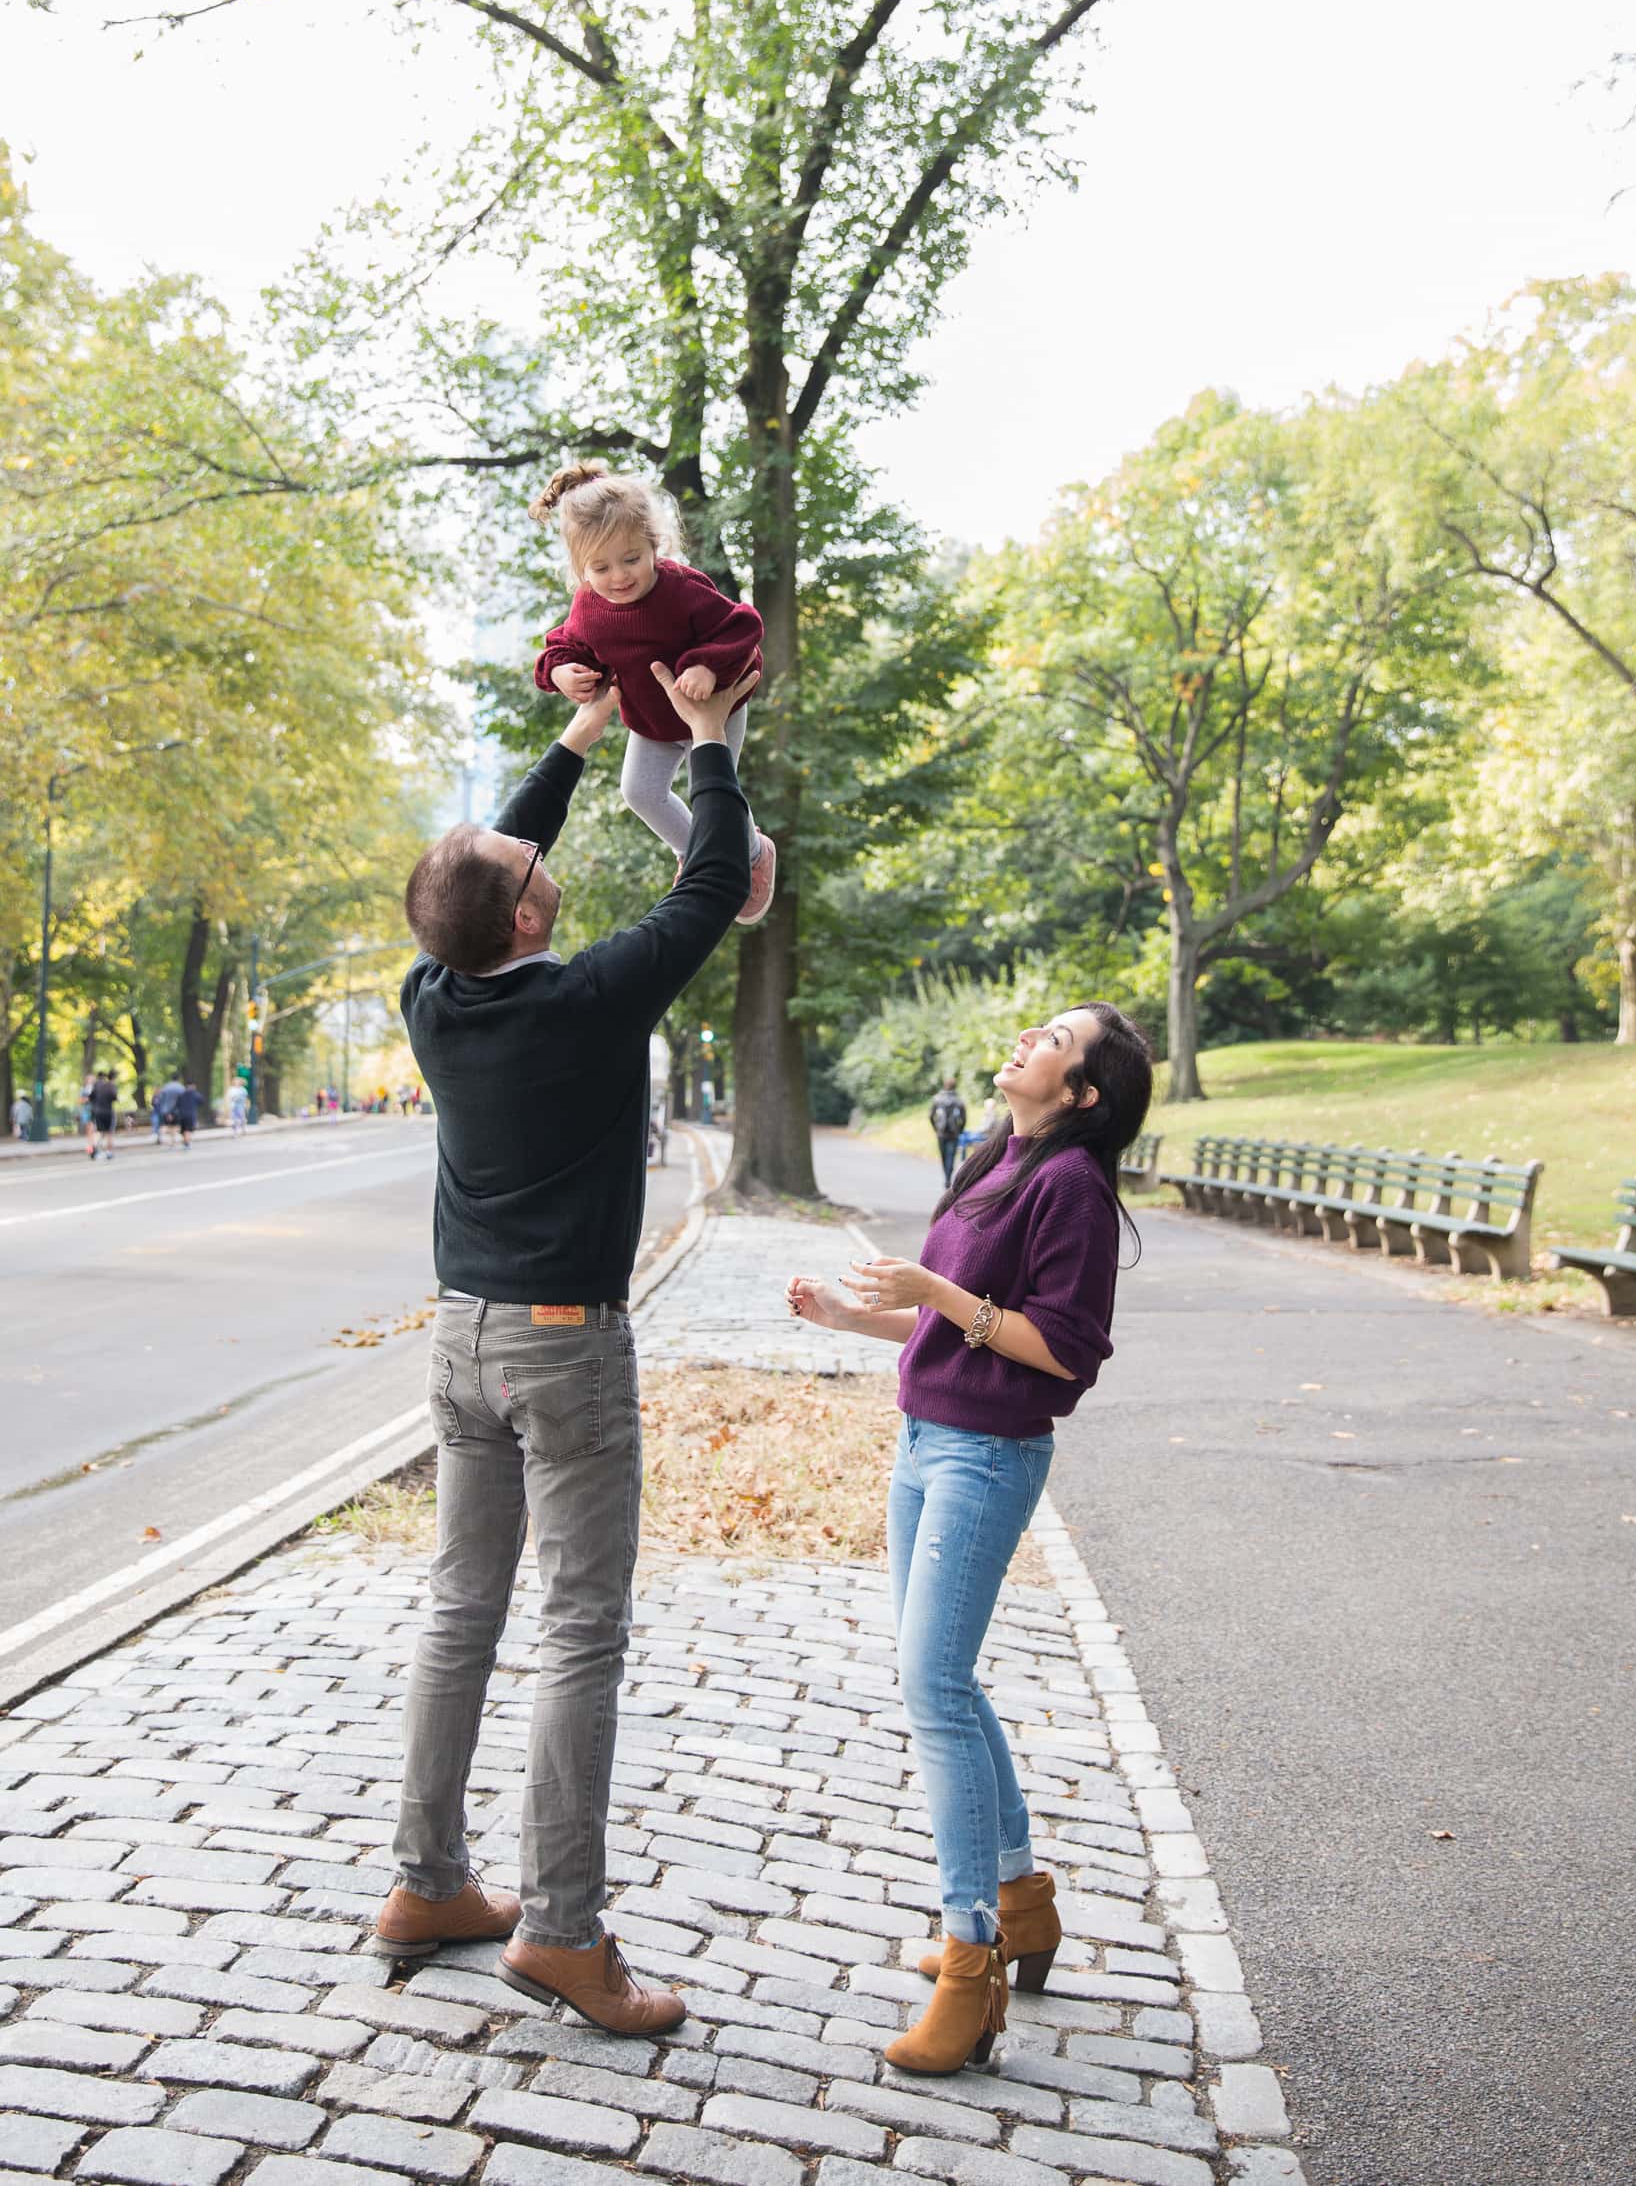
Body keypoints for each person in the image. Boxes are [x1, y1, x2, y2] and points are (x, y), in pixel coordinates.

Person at [374, 663, 755, 2037]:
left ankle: (424, 1885)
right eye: (525, 868)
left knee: (458, 1613)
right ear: (532, 910)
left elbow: (480, 875)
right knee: (578, 1629)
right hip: (563, 1352)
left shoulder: (435, 994)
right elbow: (710, 886)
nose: (531, 864)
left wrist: (580, 733)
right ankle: (560, 1931)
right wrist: (707, 742)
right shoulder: (589, 1001)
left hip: (458, 1343)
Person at [785, 1001, 1154, 2076]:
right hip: (923, 1440)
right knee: (944, 1682)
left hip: (985, 1455)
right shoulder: (1000, 1154)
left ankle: (970, 1961)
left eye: (1052, 1039)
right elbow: (955, 1322)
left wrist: (936, 1289)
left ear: (1080, 1093)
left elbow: (1064, 1354)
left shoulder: (1071, 1187)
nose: (1026, 1040)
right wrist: (852, 1319)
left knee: (933, 1689)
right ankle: (1020, 1900)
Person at [530, 462, 776, 927]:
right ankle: (690, 850)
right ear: (580, 568)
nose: (618, 577)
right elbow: (560, 645)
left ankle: (751, 853)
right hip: (653, 722)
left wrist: (704, 663)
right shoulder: (588, 605)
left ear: (653, 546)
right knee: (638, 791)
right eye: (599, 567)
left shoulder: (681, 589)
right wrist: (562, 672)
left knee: (713, 793)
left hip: (714, 710)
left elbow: (743, 625)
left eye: (631, 560)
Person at [929, 1074, 967, 1186]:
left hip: (941, 1132)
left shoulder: (937, 1099)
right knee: (951, 1155)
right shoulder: (959, 1101)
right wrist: (960, 1130)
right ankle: (948, 1178)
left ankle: (946, 1177)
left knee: (944, 1155)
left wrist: (935, 1128)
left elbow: (931, 1116)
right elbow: (964, 1118)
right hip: (954, 1133)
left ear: (944, 1086)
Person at [86, 1069, 119, 1161]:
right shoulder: (110, 1085)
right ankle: (108, 1152)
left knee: (99, 1132)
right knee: (109, 1133)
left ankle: (94, 1149)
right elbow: (115, 1097)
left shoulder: (95, 1086)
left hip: (97, 1111)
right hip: (107, 1111)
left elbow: (90, 1097)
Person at [152, 1073, 184, 1144]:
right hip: (176, 1110)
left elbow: (159, 1099)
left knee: (166, 1125)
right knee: (175, 1125)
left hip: (165, 1110)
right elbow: (183, 1100)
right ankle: (173, 1140)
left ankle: (160, 1137)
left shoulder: (166, 1087)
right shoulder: (181, 1087)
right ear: (178, 1079)